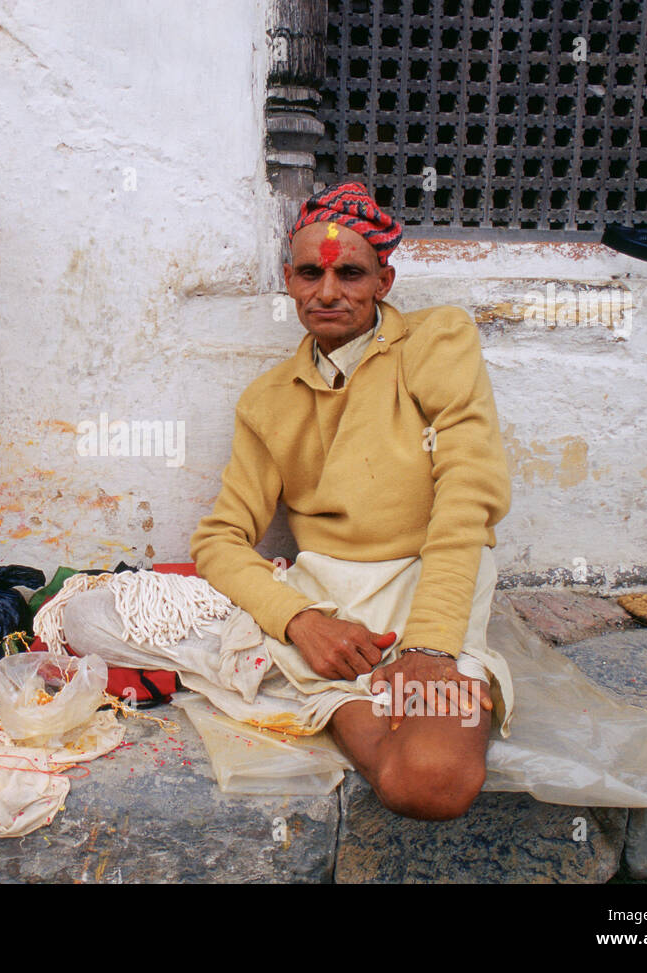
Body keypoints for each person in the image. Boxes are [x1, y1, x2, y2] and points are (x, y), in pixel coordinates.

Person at [189, 182, 513, 820]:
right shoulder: (267, 399)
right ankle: (344, 697)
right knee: (405, 770)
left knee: (432, 780)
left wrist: (431, 646)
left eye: (350, 272)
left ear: (384, 281)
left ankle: (370, 703)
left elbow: (467, 494)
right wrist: (301, 621)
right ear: (289, 280)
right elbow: (218, 540)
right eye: (311, 272)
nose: (328, 291)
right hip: (332, 614)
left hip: (432, 590)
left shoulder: (437, 341)